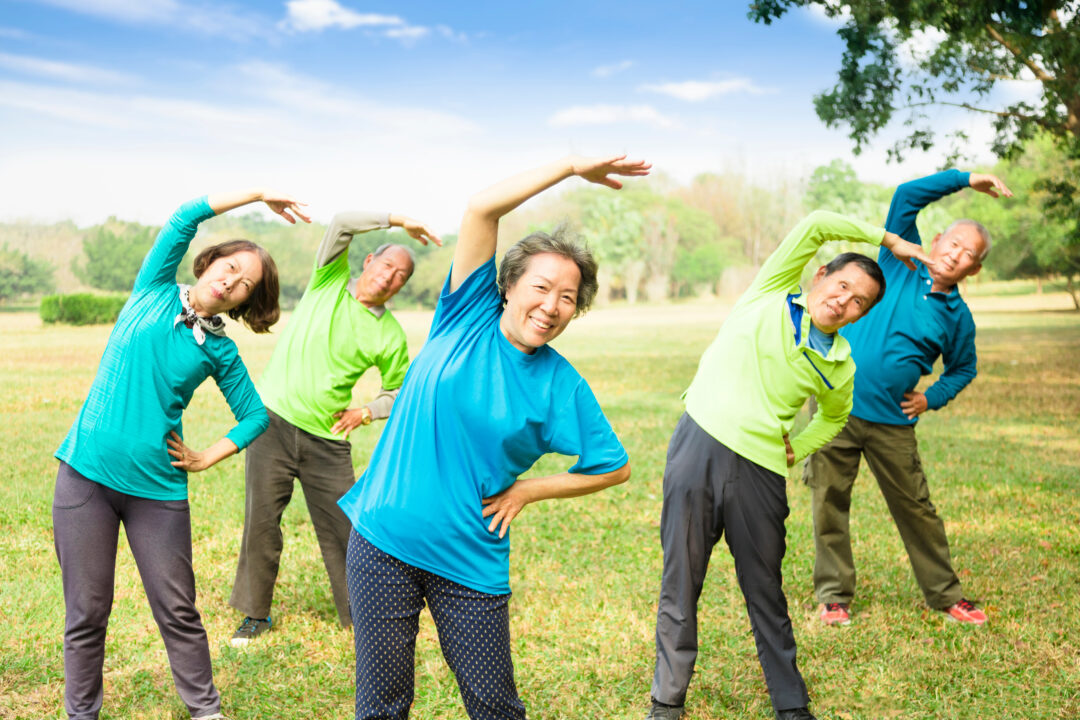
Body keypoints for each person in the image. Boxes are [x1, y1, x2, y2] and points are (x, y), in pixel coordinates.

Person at [337, 154, 645, 719]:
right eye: (542, 287)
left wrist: (528, 490)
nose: (551, 307)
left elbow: (613, 465)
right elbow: (482, 207)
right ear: (508, 286)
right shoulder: (465, 312)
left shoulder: (560, 385)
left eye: (568, 298)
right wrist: (572, 166)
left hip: (469, 557)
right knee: (380, 707)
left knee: (495, 707)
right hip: (383, 540)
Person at [647, 210, 934, 720]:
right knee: (681, 580)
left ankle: (791, 705)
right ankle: (667, 701)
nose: (843, 301)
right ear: (820, 276)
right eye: (841, 285)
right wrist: (892, 240)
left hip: (760, 472)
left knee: (765, 589)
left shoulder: (840, 365)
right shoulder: (771, 290)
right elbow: (819, 223)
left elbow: (835, 417)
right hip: (698, 445)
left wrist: (795, 449)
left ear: (860, 315)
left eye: (858, 301)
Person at [53, 189, 309, 720]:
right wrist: (258, 194)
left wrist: (208, 455)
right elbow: (183, 216)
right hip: (85, 476)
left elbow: (256, 416)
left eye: (245, 285)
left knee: (178, 611)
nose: (232, 281)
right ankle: (81, 715)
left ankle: (206, 712)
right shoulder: (152, 289)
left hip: (158, 491)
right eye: (230, 266)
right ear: (211, 260)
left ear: (243, 302)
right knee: (86, 612)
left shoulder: (220, 348)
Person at [806, 170, 1012, 628]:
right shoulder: (899, 261)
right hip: (834, 407)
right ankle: (834, 597)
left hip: (891, 423)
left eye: (968, 255)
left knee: (917, 508)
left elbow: (963, 368)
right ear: (937, 240)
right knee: (829, 501)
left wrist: (930, 398)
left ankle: (945, 595)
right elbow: (906, 195)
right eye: (953, 243)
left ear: (973, 269)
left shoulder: (957, 317)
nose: (956, 255)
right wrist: (966, 179)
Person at [228, 210, 440, 642]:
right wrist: (398, 220)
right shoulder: (327, 282)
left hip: (328, 441)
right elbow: (342, 222)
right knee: (263, 521)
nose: (389, 277)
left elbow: (399, 393)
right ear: (368, 263)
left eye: (400, 276)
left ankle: (359, 614)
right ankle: (255, 614)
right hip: (271, 420)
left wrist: (365, 412)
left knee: (347, 531)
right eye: (386, 265)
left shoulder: (390, 335)